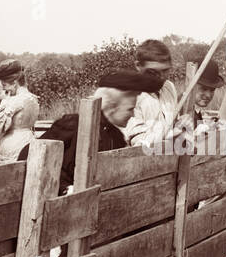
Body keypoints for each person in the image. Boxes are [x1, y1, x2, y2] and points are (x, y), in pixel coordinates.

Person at [20, 70, 161, 194]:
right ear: (112, 106)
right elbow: (29, 154)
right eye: (129, 109)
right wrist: (65, 188)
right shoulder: (74, 125)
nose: (132, 115)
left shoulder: (116, 136)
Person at [122, 39, 178, 148]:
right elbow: (137, 140)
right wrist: (173, 135)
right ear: (138, 66)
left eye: (165, 71)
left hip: (169, 159)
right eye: (153, 72)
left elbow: (175, 123)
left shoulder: (169, 88)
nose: (161, 78)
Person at [0, 61, 42, 163]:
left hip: (14, 148)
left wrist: (3, 102)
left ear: (14, 83)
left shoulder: (14, 101)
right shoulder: (33, 98)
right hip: (29, 142)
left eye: (4, 85)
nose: (4, 89)